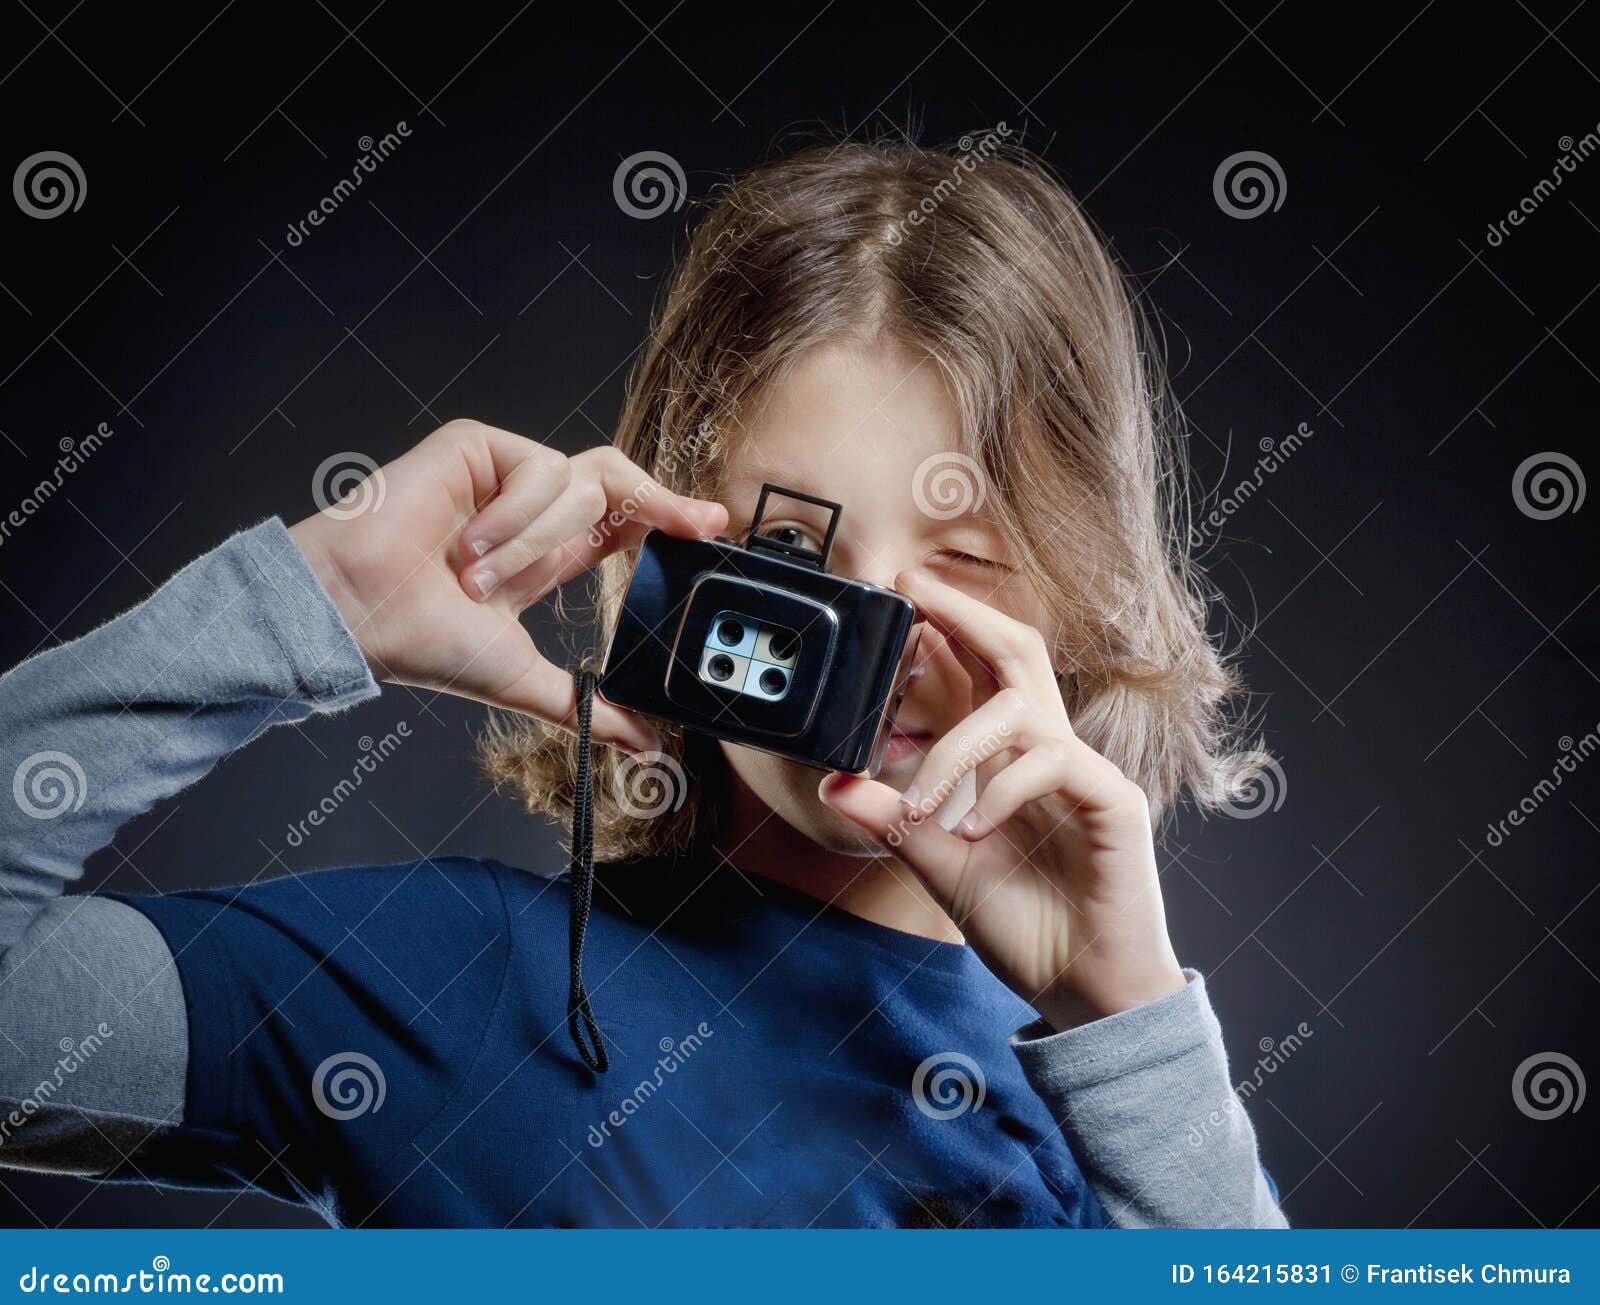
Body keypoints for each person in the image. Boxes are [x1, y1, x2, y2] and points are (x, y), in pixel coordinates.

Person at [0, 140, 1285, 1228]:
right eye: (793, 552)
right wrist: (308, 603)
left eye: (965, 561)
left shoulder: (1112, 1096)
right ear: (677, 548)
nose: (878, 641)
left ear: (1081, 586)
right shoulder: (462, 985)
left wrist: (1133, 1035)